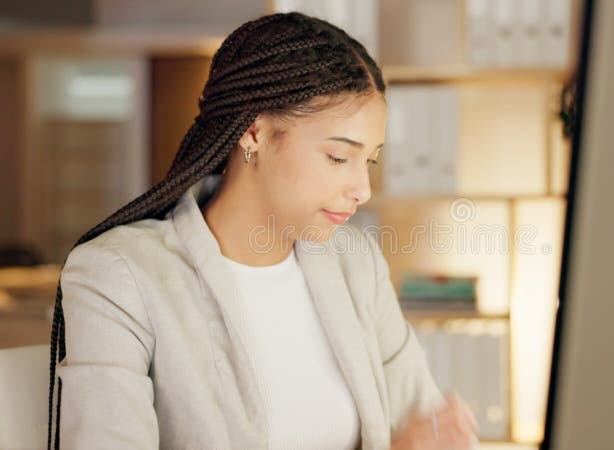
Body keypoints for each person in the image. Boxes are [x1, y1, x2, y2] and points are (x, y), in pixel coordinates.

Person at [46, 12, 479, 450]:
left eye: (369, 160)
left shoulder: (356, 265)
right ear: (255, 131)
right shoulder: (120, 278)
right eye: (337, 157)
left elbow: (426, 425)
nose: (363, 189)